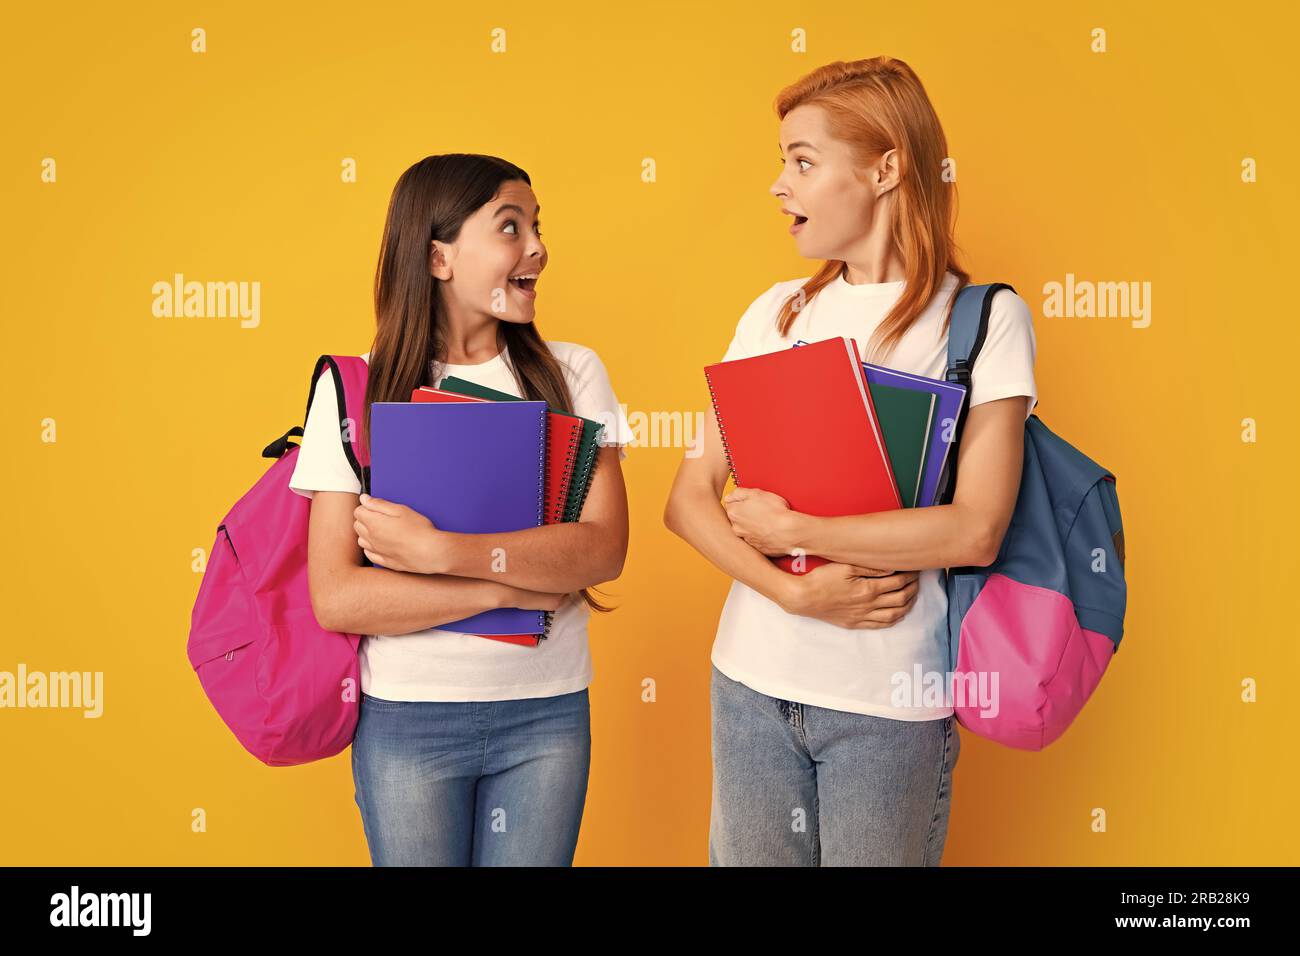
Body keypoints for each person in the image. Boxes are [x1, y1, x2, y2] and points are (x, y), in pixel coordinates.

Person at [664, 57, 1037, 866]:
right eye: (781, 161)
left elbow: (974, 530)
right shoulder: (776, 312)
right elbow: (689, 497)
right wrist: (792, 591)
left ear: (886, 168)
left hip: (888, 704)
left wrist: (800, 527)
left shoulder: (980, 322)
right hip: (750, 688)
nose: (778, 184)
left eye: (802, 160)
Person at [289, 153, 632, 866]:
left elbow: (602, 550)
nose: (537, 247)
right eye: (511, 227)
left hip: (547, 716)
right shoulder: (355, 390)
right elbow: (338, 595)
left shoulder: (573, 375)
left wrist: (442, 552)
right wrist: (511, 587)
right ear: (439, 257)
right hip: (408, 721)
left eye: (537, 226)